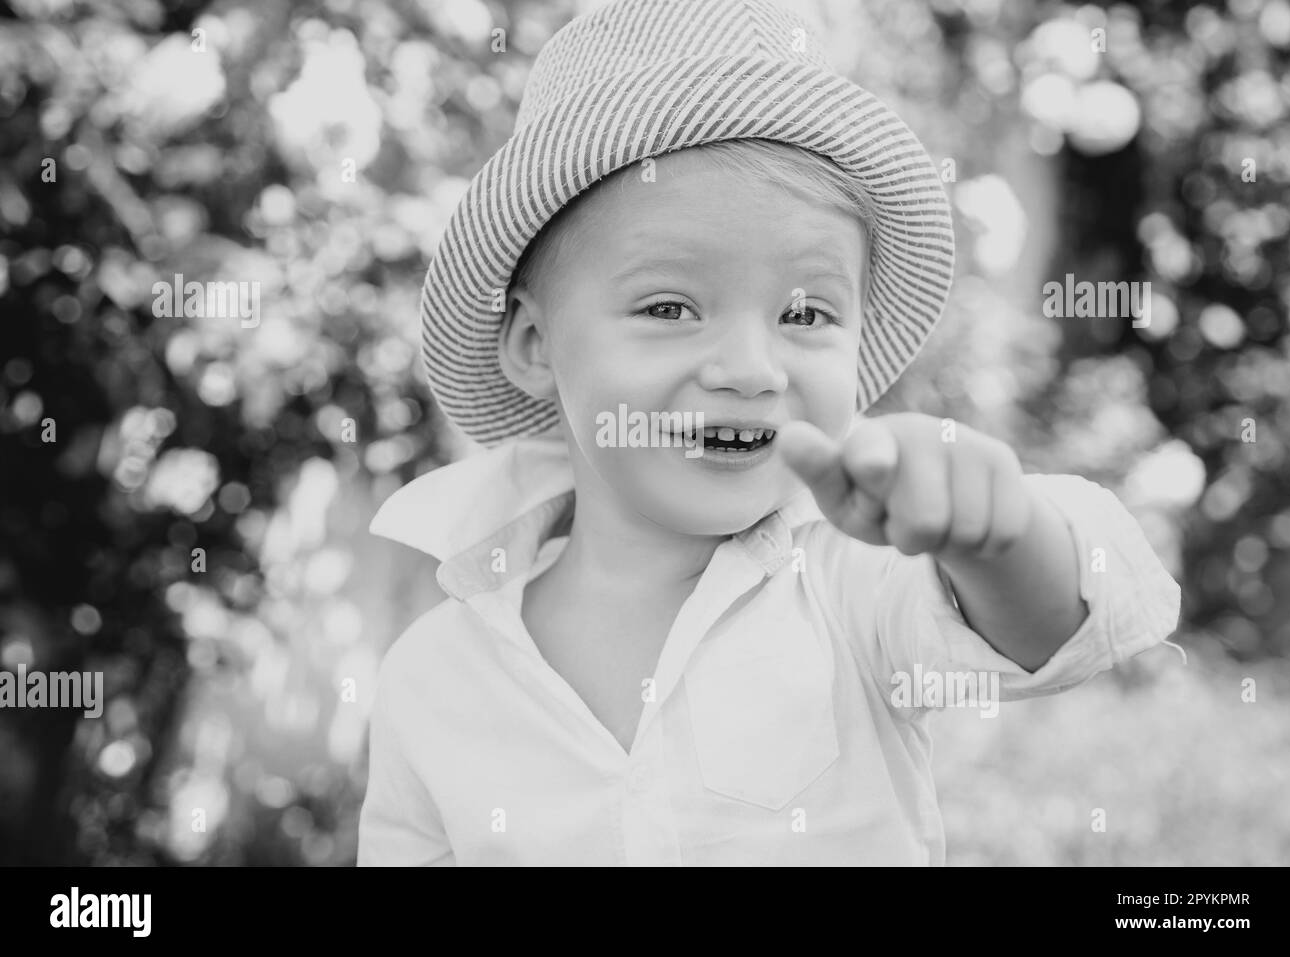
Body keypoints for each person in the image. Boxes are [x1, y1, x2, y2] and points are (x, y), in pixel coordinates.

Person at [358, 0, 1180, 866]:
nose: (753, 367)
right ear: (534, 343)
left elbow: (1056, 632)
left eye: (807, 310)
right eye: (668, 306)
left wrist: (999, 536)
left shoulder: (856, 581)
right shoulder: (435, 678)